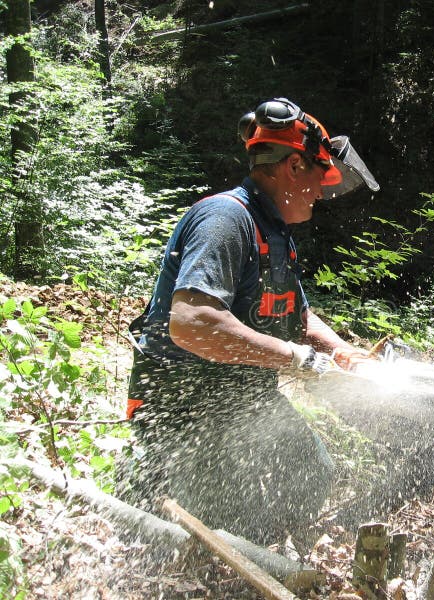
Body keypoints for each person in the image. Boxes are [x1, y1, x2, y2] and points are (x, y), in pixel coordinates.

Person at [123, 97, 380, 544]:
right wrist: (295, 359)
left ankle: (269, 551)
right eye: (320, 174)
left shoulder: (274, 231)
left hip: (241, 395)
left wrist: (343, 353)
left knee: (311, 472)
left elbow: (297, 316)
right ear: (294, 166)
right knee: (225, 524)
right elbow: (193, 322)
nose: (322, 191)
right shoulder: (225, 219)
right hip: (183, 404)